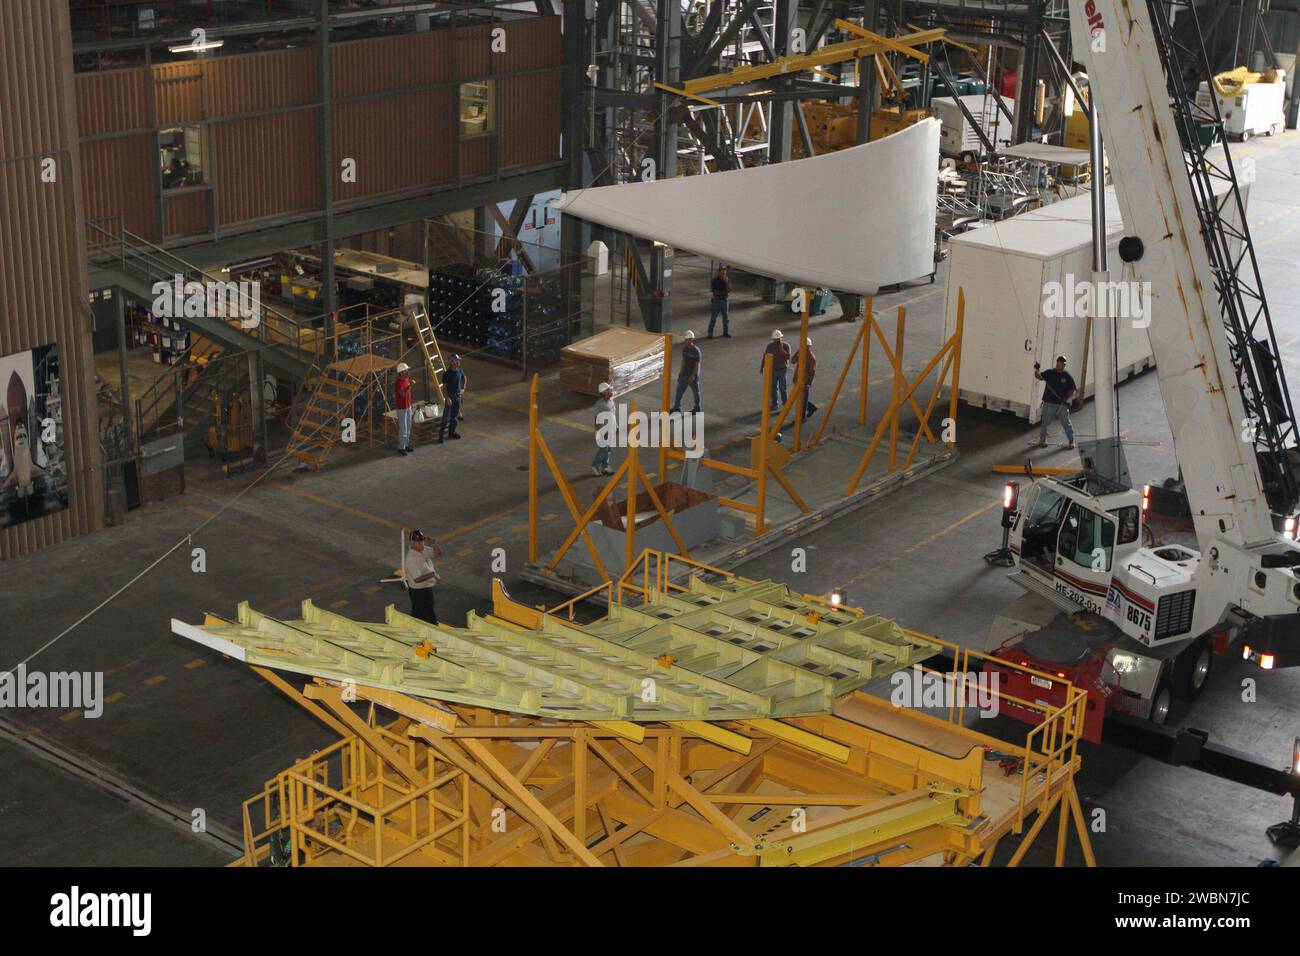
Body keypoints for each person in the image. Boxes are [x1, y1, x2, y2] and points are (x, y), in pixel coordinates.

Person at [1034, 355, 1077, 449]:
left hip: (1062, 405)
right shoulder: (1050, 373)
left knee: (1066, 422)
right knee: (1045, 422)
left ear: (1064, 365)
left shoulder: (1067, 376)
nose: (1059, 364)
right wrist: (1037, 369)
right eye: (1058, 362)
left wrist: (1067, 398)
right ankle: (1042, 440)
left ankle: (1071, 441)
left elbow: (1073, 389)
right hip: (1049, 403)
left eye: (1061, 363)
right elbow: (1038, 376)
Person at [403, 529, 442, 625]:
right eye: (419, 542)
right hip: (419, 592)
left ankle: (409, 627)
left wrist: (434, 544)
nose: (422, 544)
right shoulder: (411, 559)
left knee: (417, 614)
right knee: (429, 618)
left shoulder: (423, 549)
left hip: (425, 590)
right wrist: (432, 574)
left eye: (422, 541)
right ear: (413, 542)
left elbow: (438, 553)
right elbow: (417, 579)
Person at [669, 330, 702, 414]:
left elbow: (696, 365)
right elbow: (683, 361)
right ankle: (677, 407)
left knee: (695, 392)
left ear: (691, 340)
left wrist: (692, 376)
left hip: (692, 375)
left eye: (687, 339)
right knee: (679, 391)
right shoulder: (685, 349)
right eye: (685, 339)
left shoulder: (696, 351)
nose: (685, 341)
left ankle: (697, 407)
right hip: (684, 374)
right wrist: (680, 371)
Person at [761, 329, 791, 413]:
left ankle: (785, 405)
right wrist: (762, 366)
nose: (777, 340)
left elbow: (788, 357)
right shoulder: (770, 346)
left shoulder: (786, 346)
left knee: (782, 388)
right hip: (773, 370)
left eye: (778, 339)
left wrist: (781, 349)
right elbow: (765, 356)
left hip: (782, 370)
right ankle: (774, 404)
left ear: (781, 338)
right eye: (775, 339)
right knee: (773, 388)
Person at [437, 355, 465, 443]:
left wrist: (463, 387)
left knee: (454, 417)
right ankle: (440, 435)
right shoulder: (447, 374)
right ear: (452, 362)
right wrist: (447, 398)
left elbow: (464, 378)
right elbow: (444, 388)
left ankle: (451, 432)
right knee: (446, 418)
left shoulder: (460, 371)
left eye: (458, 360)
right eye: (457, 360)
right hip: (450, 397)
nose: (458, 362)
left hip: (457, 397)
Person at [592, 381, 616, 476]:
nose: (611, 390)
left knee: (609, 449)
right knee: (603, 450)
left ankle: (605, 466)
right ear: (604, 392)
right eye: (609, 389)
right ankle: (595, 466)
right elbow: (596, 419)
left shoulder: (611, 400)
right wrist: (598, 432)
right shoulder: (599, 405)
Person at [793, 336, 818, 419]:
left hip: (804, 382)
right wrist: (797, 355)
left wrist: (809, 383)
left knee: (802, 401)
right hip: (797, 379)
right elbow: (793, 361)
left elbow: (812, 372)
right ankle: (811, 408)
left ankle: (801, 418)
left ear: (808, 347)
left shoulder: (811, 358)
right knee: (799, 398)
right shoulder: (800, 352)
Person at [394, 362, 414, 455]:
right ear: (401, 372)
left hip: (408, 406)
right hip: (401, 409)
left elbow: (408, 394)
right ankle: (401, 447)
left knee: (409, 427)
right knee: (403, 429)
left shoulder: (407, 380)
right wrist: (410, 386)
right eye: (406, 370)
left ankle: (406, 445)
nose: (407, 372)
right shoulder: (398, 383)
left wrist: (410, 404)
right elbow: (403, 394)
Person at [707, 266, 732, 338]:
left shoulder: (726, 280)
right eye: (722, 272)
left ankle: (725, 332)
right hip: (717, 301)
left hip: (725, 301)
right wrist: (725, 292)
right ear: (719, 272)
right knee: (713, 318)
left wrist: (726, 283)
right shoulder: (715, 281)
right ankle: (710, 333)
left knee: (726, 318)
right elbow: (716, 292)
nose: (723, 274)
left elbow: (730, 290)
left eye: (724, 272)